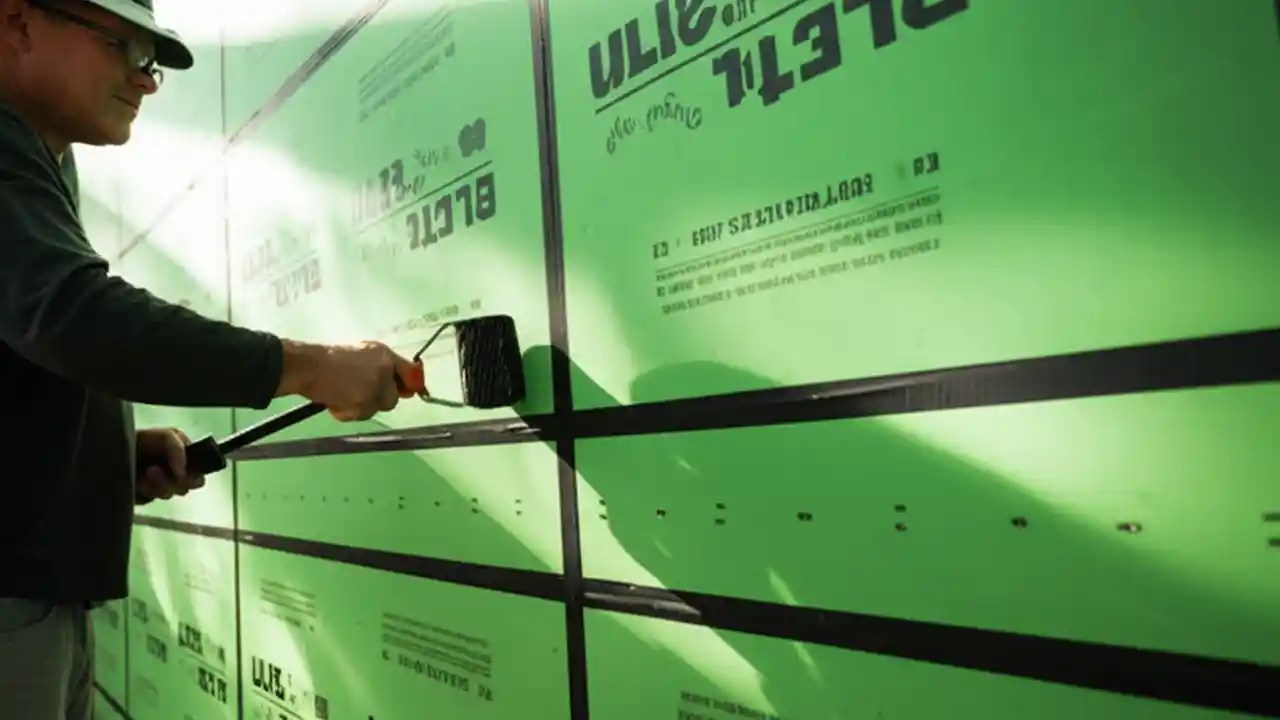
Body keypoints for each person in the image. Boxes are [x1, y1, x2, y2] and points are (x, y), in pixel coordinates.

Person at [0, 0, 423, 716]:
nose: (148, 82)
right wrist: (309, 366)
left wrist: (112, 457)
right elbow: (72, 316)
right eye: (126, 50)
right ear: (17, 22)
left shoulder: (34, 161)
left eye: (153, 62)